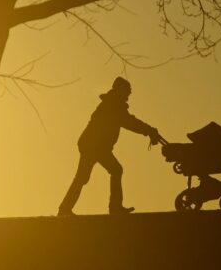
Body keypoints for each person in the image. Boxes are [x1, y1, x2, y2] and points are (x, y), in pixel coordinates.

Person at [58, 77, 162, 216]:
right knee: (111, 171)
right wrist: (149, 131)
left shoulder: (112, 103)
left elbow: (128, 121)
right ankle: (114, 207)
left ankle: (66, 208)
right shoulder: (113, 105)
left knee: (86, 177)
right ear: (120, 90)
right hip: (94, 146)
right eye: (127, 91)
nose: (129, 95)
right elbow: (129, 122)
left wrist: (149, 131)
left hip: (95, 146)